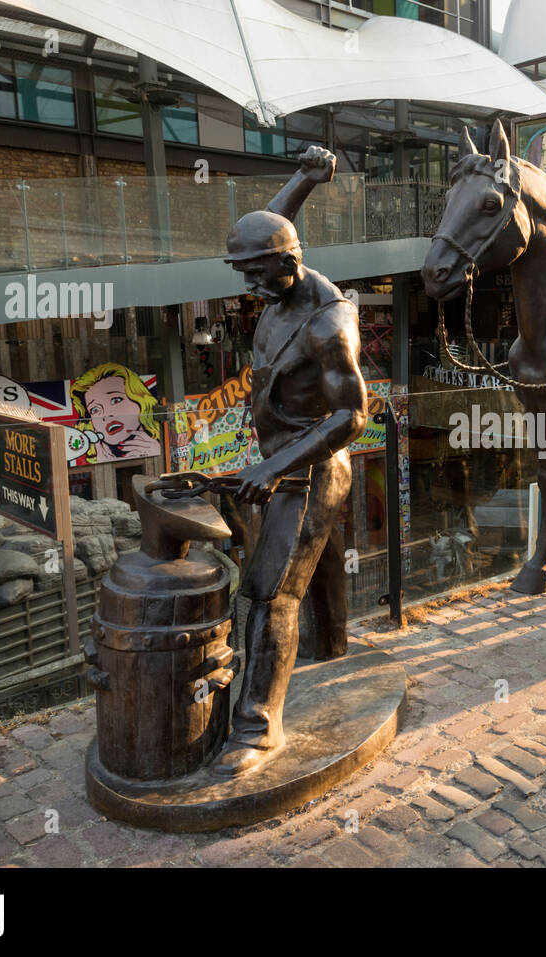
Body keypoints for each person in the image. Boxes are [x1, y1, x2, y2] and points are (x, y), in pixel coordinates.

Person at [215, 144, 368, 777]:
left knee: (270, 590)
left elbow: (350, 416)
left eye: (256, 274)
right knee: (318, 562)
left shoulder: (329, 325)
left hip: (311, 466)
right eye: (242, 272)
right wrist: (305, 178)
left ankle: (258, 724)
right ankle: (332, 643)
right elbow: (273, 220)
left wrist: (273, 470)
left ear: (288, 262)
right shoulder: (280, 280)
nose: (248, 286)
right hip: (279, 456)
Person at [71, 363, 163, 462]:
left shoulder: (159, 441)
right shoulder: (94, 456)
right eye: (95, 410)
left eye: (116, 400)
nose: (107, 415)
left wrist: (156, 449)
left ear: (140, 401)